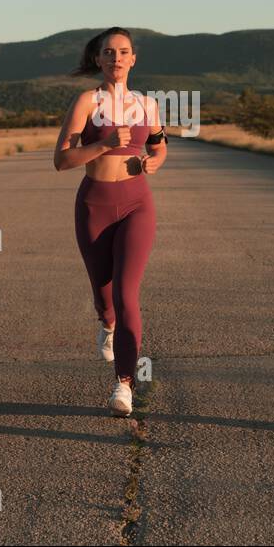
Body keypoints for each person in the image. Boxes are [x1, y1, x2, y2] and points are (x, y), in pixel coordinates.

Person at [54, 27, 167, 417]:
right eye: (108, 52)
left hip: (137, 202)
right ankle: (106, 323)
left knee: (126, 292)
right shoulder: (87, 101)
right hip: (94, 204)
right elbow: (61, 160)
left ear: (133, 59)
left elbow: (159, 143)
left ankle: (124, 385)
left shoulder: (148, 105)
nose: (116, 58)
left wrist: (156, 160)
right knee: (104, 294)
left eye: (124, 51)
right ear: (98, 60)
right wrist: (103, 145)